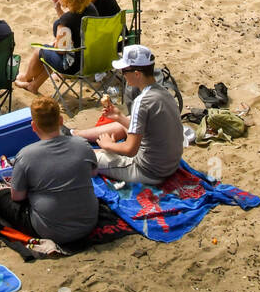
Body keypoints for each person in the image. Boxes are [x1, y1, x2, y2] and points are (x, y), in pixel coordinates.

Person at [0, 96, 98, 245]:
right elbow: (93, 172)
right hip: (88, 221)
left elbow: (17, 197)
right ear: (61, 121)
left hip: (48, 229)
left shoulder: (26, 155)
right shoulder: (82, 144)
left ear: (33, 126)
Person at [73, 44, 184, 187]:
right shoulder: (163, 93)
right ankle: (76, 134)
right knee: (130, 119)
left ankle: (76, 138)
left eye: (124, 71)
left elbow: (130, 150)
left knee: (83, 157)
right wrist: (119, 117)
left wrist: (109, 146)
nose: (122, 74)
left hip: (149, 171)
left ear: (137, 74)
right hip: (169, 164)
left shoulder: (141, 101)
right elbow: (148, 128)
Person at [17, 0, 97, 94]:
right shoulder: (91, 9)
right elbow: (73, 26)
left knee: (40, 51)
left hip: (74, 67)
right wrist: (59, 10)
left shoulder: (65, 22)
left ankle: (26, 78)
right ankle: (34, 86)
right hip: (94, 60)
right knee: (50, 50)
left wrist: (54, 45)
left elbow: (61, 51)